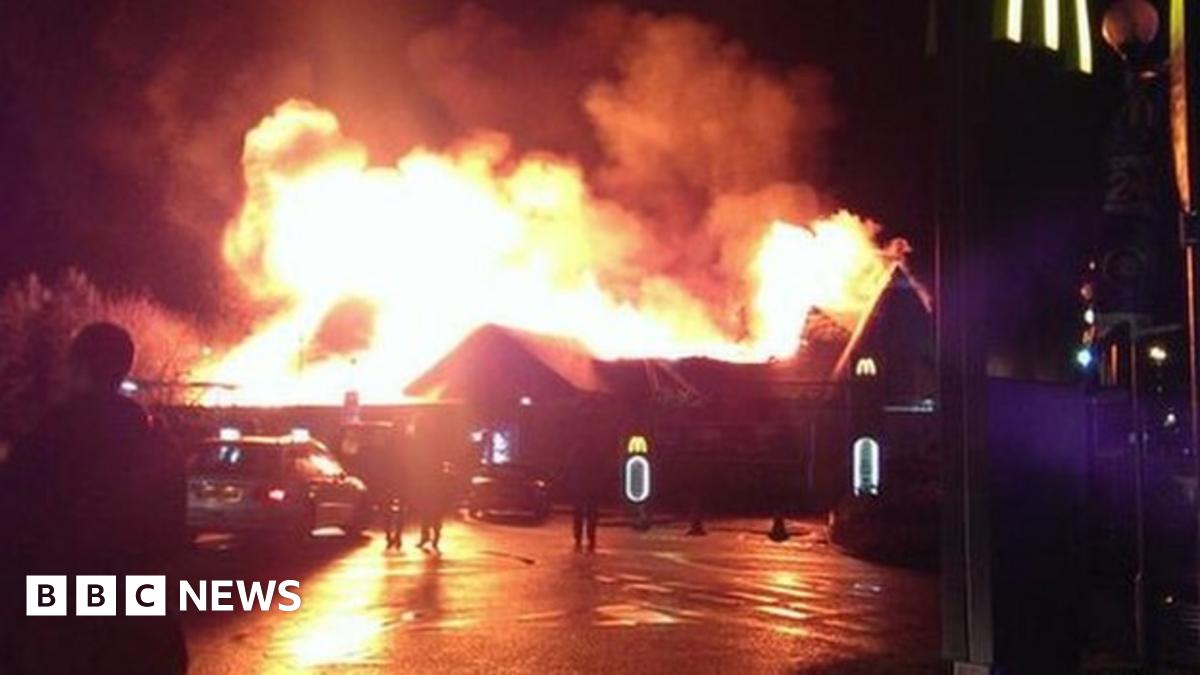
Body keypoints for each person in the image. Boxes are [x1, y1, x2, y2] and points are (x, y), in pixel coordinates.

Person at [0, 322, 188, 674]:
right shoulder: (157, 444)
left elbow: (12, 530)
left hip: (59, 625)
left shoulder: (44, 441)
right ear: (124, 369)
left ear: (78, 366)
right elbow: (170, 537)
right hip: (134, 619)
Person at [567, 409, 611, 552]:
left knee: (579, 514)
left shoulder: (577, 451)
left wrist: (571, 482)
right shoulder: (596, 452)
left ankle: (579, 538)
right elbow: (602, 469)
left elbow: (570, 468)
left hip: (580, 486)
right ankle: (590, 538)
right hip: (591, 487)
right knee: (591, 514)